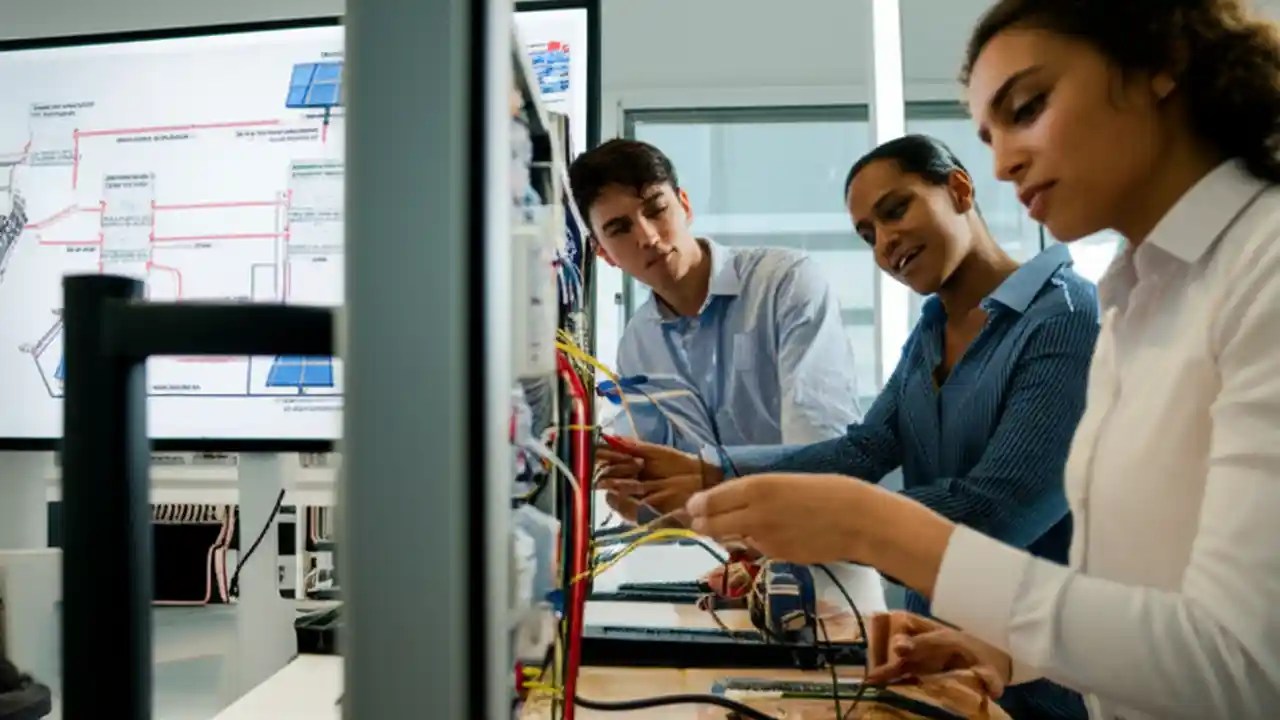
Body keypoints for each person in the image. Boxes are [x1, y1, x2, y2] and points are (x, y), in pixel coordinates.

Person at [681, 1, 1280, 718]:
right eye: (989, 136)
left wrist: (866, 523)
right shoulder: (1140, 296)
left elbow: (1245, 668)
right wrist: (1002, 651)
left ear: (1160, 65)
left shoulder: (1255, 272)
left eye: (1028, 108)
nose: (1004, 161)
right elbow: (1142, 591)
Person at [598, 133, 1097, 719]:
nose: (886, 244)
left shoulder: (1066, 318)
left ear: (959, 188)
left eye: (896, 210)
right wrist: (714, 472)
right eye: (869, 235)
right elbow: (865, 449)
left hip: (1048, 681)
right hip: (938, 662)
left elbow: (998, 514)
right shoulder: (932, 331)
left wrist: (839, 524)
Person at [568, 139, 863, 452]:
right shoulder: (637, 345)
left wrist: (707, 476)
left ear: (685, 205)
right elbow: (652, 466)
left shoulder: (784, 283)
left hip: (811, 501)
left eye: (656, 209)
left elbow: (822, 447)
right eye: (619, 229)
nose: (648, 237)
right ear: (604, 254)